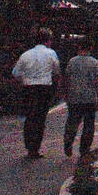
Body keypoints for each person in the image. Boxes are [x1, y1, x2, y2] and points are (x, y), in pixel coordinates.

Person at [12, 28, 61, 159]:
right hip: (44, 88)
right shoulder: (52, 54)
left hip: (28, 88)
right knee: (40, 118)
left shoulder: (26, 55)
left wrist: (24, 80)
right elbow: (56, 71)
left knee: (29, 117)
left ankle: (29, 146)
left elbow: (16, 73)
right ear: (48, 41)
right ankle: (35, 148)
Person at [63, 38, 98, 157]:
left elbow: (67, 79)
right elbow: (97, 81)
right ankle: (84, 149)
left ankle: (68, 142)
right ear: (90, 48)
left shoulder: (71, 62)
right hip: (90, 97)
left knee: (72, 121)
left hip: (74, 97)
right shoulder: (95, 63)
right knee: (89, 124)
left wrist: (66, 94)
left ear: (79, 47)